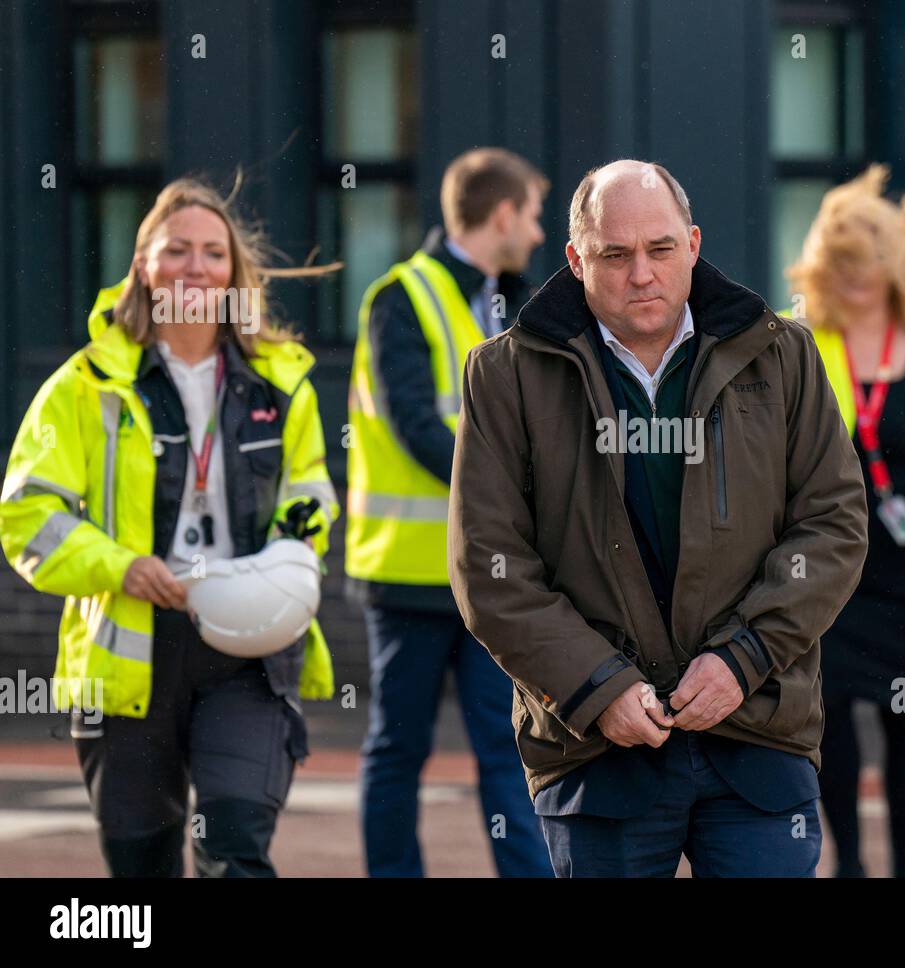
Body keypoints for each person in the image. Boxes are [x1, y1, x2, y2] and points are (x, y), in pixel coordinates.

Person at [448, 159, 870, 877]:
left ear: (694, 244)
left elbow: (832, 525)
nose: (641, 274)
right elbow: (490, 570)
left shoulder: (784, 354)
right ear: (577, 259)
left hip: (758, 734)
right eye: (615, 255)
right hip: (596, 752)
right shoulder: (506, 375)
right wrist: (599, 687)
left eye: (661, 249)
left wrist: (745, 658)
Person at [0, 178, 339, 877]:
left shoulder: (284, 384)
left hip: (249, 652)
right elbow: (27, 511)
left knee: (235, 845)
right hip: (130, 656)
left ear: (233, 273)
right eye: (176, 250)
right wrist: (117, 564)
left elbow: (308, 492)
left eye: (213, 253)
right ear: (144, 266)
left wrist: (297, 544)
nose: (195, 266)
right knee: (142, 869)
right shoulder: (84, 384)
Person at [345, 147, 552, 877]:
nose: (535, 232)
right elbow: (414, 425)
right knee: (400, 749)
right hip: (408, 574)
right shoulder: (400, 297)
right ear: (500, 214)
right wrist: (506, 485)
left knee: (509, 746)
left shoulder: (515, 304)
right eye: (529, 214)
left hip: (492, 576)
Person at [787, 165, 905, 877]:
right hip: (833, 557)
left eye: (869, 265)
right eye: (843, 266)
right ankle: (851, 863)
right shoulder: (801, 339)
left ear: (897, 263)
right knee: (828, 707)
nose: (857, 280)